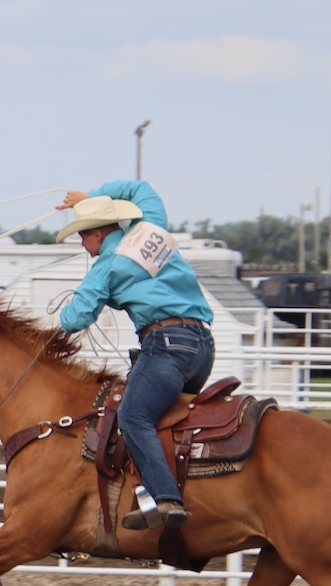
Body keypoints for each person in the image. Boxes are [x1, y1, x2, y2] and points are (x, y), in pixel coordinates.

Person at [55, 180, 214, 531]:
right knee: (165, 419)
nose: (82, 244)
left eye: (82, 235)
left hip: (167, 348)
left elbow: (75, 318)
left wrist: (64, 311)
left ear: (97, 233)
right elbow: (141, 189)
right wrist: (92, 196)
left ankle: (165, 498)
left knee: (133, 416)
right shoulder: (149, 227)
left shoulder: (106, 268)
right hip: (202, 346)